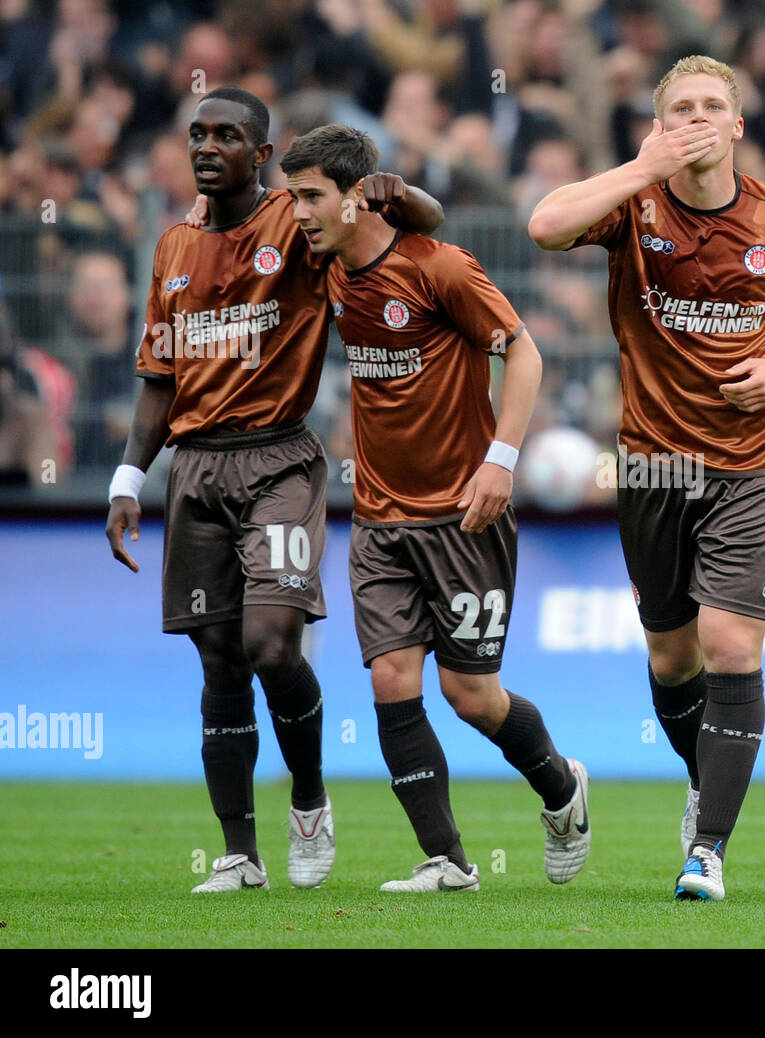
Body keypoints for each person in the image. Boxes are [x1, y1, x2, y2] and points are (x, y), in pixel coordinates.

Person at [105, 87, 444, 893]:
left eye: (227, 135)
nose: (207, 146)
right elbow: (158, 378)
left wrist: (401, 190)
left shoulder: (296, 224)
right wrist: (128, 479)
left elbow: (417, 232)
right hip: (194, 468)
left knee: (270, 642)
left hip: (281, 461)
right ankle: (239, 854)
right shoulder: (171, 248)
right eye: (197, 133)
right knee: (220, 662)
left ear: (261, 156)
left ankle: (309, 798)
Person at [529, 55, 765, 901]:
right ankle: (704, 776)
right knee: (672, 661)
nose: (698, 119)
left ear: (739, 126)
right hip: (653, 464)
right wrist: (641, 167)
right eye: (680, 110)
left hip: (756, 459)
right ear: (660, 126)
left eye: (712, 107)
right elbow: (545, 226)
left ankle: (707, 850)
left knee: (731, 643)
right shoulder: (634, 205)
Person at [280, 124, 590, 893]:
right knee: (391, 680)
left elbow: (525, 351)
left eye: (311, 197)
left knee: (471, 695)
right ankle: (447, 860)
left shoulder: (438, 268)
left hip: (465, 515)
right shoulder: (327, 273)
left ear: (357, 197)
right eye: (292, 198)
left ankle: (562, 790)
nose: (298, 214)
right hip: (380, 518)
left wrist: (501, 460)